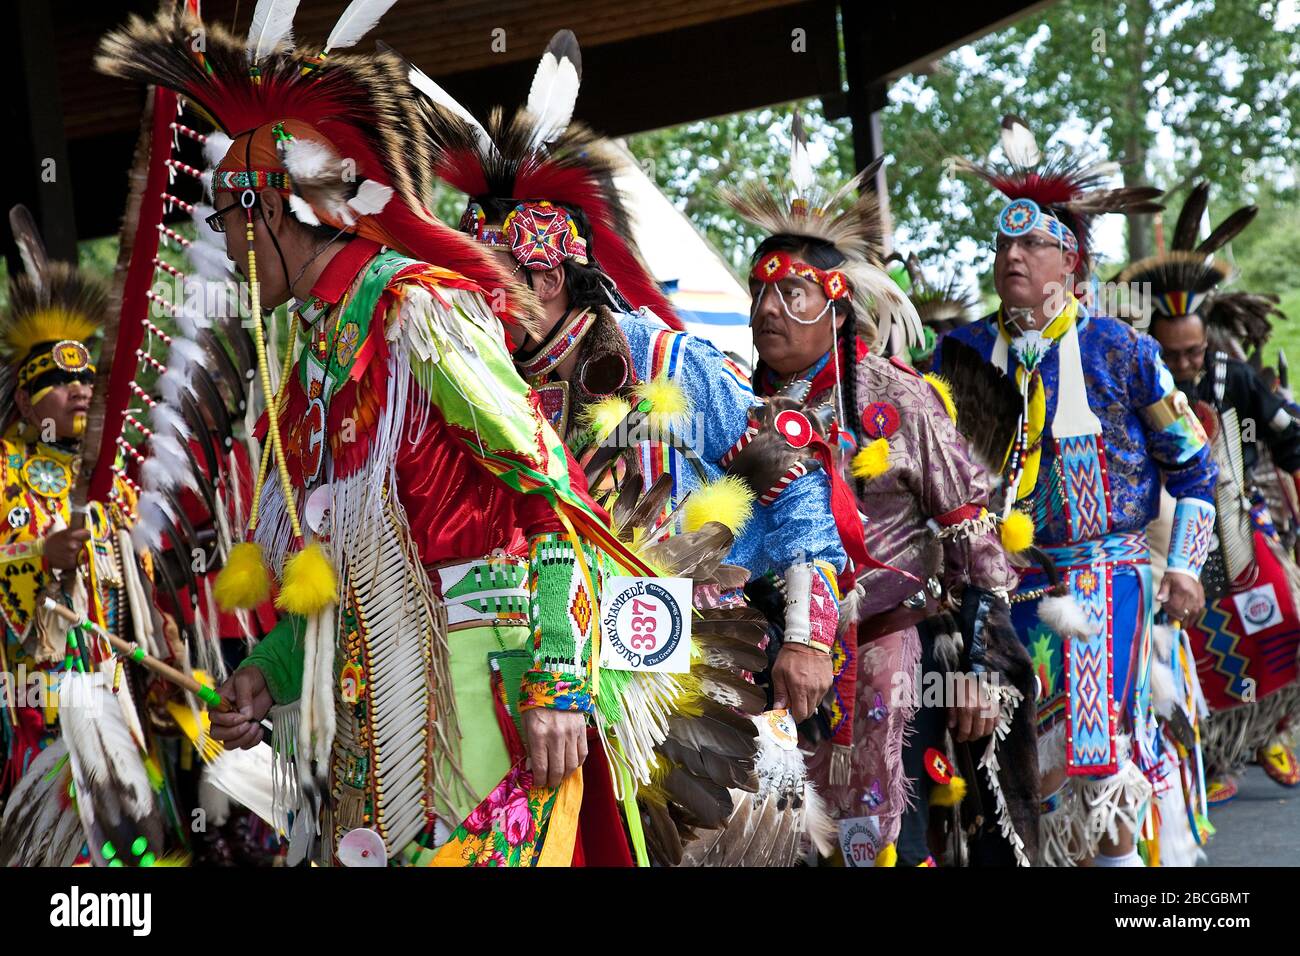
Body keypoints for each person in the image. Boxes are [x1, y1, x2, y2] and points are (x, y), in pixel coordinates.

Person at [97, 2, 645, 867]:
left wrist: (556, 684)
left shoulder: (415, 311)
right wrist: (264, 675)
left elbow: (551, 500)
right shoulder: (308, 356)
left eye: (230, 220)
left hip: (486, 702)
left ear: (272, 211)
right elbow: (343, 569)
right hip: (375, 719)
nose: (228, 241)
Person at [414, 32, 851, 738]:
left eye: (483, 277)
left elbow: (790, 474)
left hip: (698, 674)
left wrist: (805, 636)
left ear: (549, 279)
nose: (465, 297)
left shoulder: (665, 361)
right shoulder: (487, 387)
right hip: (551, 676)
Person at [724, 116, 1039, 867]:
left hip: (891, 654)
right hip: (764, 659)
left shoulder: (895, 397)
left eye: (793, 293)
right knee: (776, 842)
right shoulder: (733, 405)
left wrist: (976, 667)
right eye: (760, 293)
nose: (769, 309)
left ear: (836, 308)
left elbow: (976, 539)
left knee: (884, 844)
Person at [942, 116, 1216, 866]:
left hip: (1105, 576)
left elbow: (1193, 470)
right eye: (1004, 244)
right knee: (1002, 760)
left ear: (1072, 264)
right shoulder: (960, 354)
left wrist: (1187, 565)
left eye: (1033, 244)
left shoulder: (1124, 350)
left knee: (1097, 764)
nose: (1013, 257)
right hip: (997, 582)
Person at [1125, 184, 1300, 800]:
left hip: (1239, 524)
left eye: (1194, 350)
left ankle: (1275, 727)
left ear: (1208, 339)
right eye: (1173, 355)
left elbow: (1290, 439)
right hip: (1169, 537)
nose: (1186, 364)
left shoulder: (1234, 375)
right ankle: (1213, 754)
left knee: (1286, 615)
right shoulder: (1136, 383)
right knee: (1191, 646)